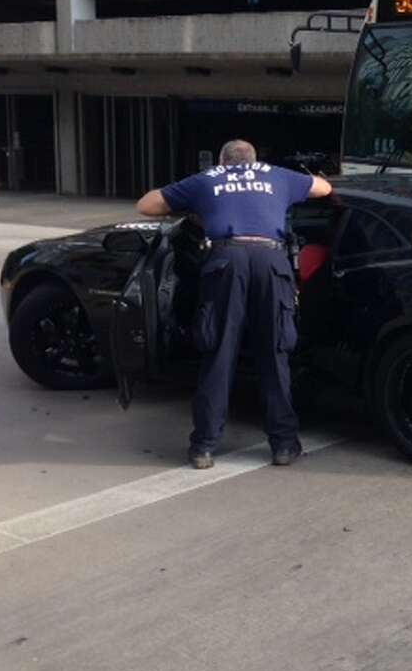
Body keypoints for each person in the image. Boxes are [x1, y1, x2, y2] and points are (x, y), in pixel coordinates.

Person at [135, 140, 333, 469]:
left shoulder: (208, 178)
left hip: (225, 261)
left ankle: (204, 448)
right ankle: (283, 445)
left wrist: (195, 206)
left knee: (219, 353)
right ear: (255, 160)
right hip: (271, 261)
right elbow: (324, 188)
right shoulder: (278, 175)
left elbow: (146, 205)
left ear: (222, 161)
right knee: (274, 353)